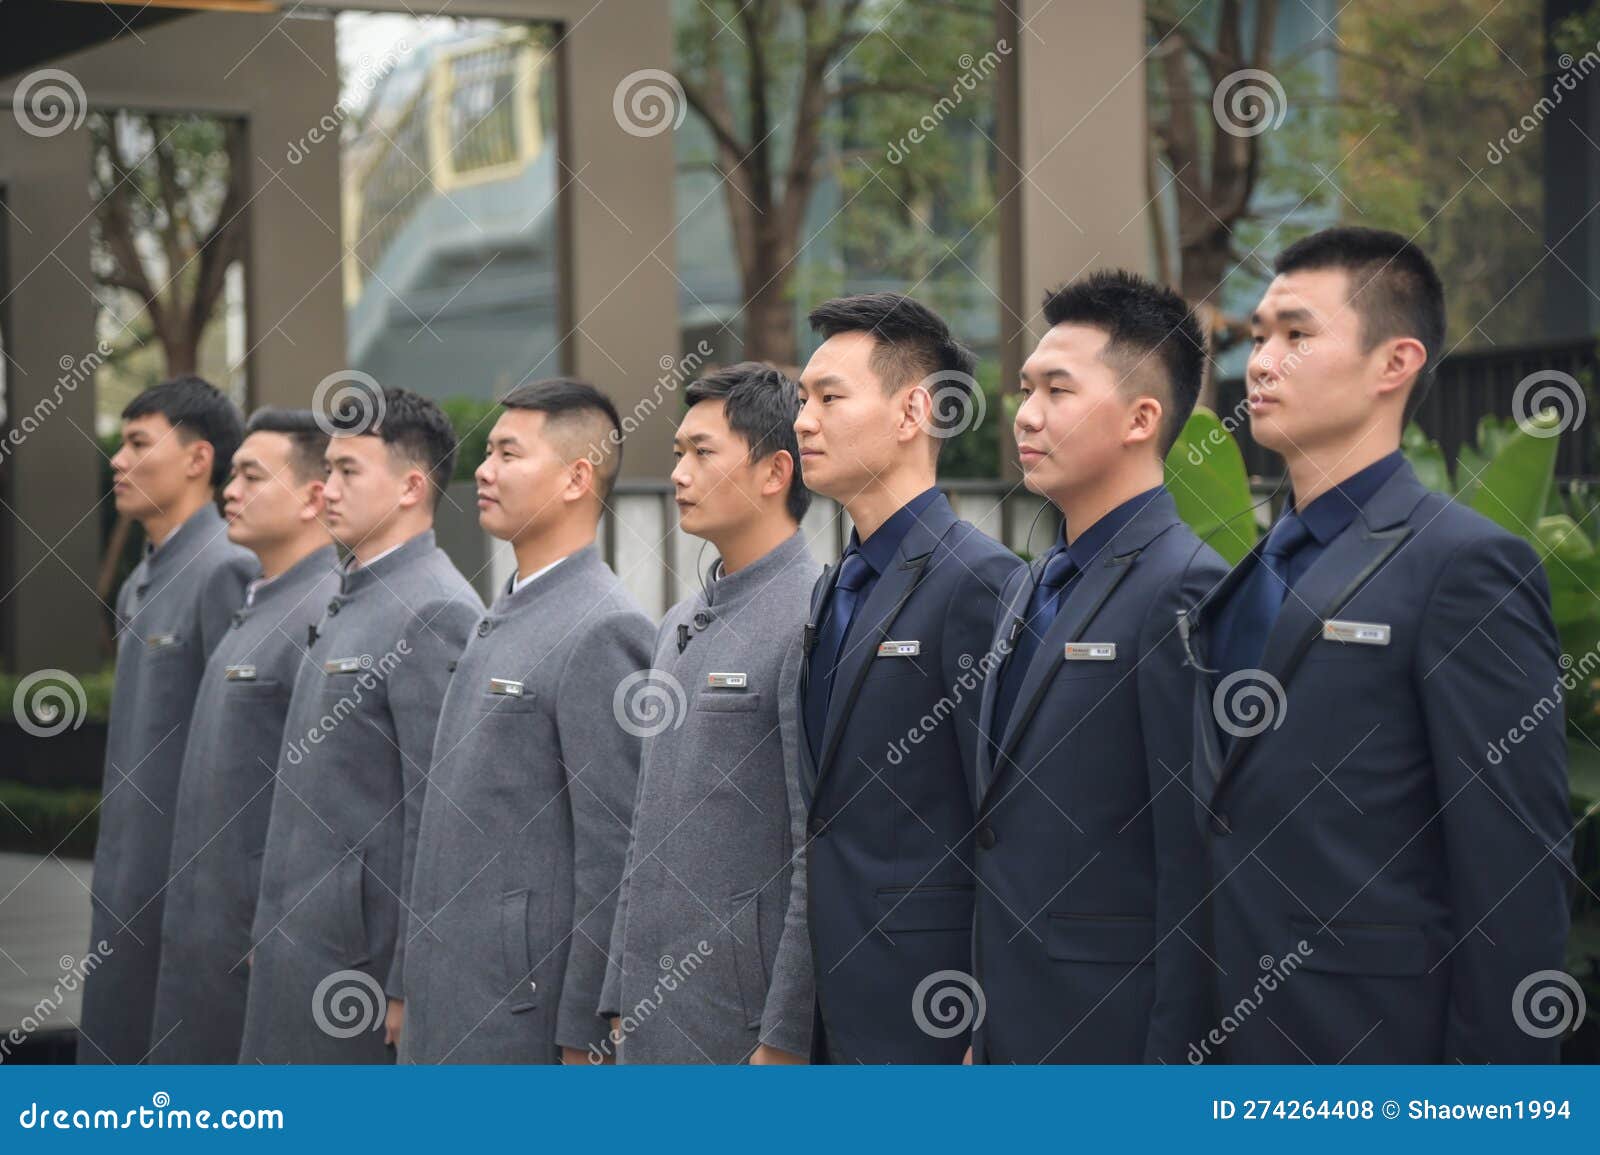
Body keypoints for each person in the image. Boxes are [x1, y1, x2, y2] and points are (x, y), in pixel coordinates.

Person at [1183, 226, 1572, 1062]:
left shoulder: (1465, 567)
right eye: (1257, 337)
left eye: (1296, 334)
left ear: (1394, 363)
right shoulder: (1242, 578)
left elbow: (1512, 873)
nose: (1261, 363)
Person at [969, 270, 1226, 1064]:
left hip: (1112, 1039)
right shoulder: (1028, 582)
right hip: (1008, 1029)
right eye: (1024, 388)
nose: (1027, 414)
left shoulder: (1185, 585)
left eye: (1058, 389)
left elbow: (1200, 863)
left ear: (1141, 417)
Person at [794, 293, 1022, 1063]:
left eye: (830, 397)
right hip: (826, 1004)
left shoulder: (979, 581)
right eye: (802, 399)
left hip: (929, 1011)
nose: (803, 420)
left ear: (913, 411)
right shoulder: (836, 586)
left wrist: (982, 1024)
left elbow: (1007, 826)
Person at [400, 379, 652, 1065]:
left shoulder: (605, 627)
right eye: (487, 453)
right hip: (448, 999)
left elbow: (615, 854)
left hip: (519, 1019)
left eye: (509, 453)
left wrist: (585, 1032)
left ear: (577, 477)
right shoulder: (498, 612)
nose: (483, 470)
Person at [239, 388, 481, 1063]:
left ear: (410, 486)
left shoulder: (434, 610)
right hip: (301, 947)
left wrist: (406, 979)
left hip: (357, 971)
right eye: (327, 468)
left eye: (348, 471)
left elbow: (439, 815)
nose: (327, 487)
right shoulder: (353, 595)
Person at [600, 363, 821, 1064]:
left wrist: (784, 1033)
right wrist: (617, 992)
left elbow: (814, 845)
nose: (678, 474)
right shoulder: (677, 621)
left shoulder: (813, 618)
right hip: (649, 1016)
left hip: (740, 1023)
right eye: (676, 454)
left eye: (702, 452)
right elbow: (644, 824)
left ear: (774, 471)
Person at [148, 408, 339, 1063]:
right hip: (210, 929)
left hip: (256, 942)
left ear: (315, 495)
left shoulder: (322, 615)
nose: (230, 490)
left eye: (252, 476)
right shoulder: (262, 600)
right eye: (232, 476)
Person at [77, 377, 256, 1065]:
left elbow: (239, 752)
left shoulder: (227, 569)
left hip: (183, 892)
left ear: (196, 458)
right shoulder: (141, 580)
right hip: (126, 878)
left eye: (137, 443)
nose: (118, 460)